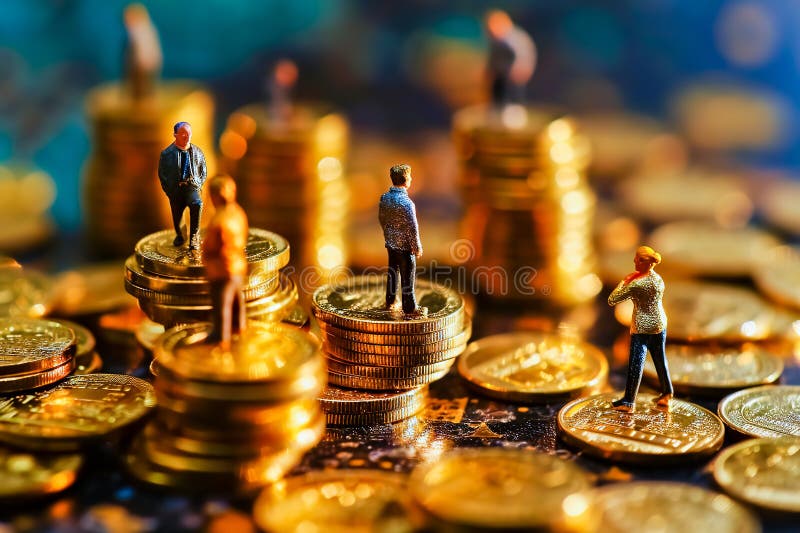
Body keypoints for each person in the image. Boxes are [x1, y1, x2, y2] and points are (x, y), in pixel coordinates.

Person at [608, 246, 673, 412]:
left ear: (648, 263)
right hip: (660, 324)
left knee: (636, 363)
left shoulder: (637, 284)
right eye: (636, 258)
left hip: (643, 328)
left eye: (639, 259)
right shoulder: (657, 279)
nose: (635, 261)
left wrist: (625, 281)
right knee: (660, 360)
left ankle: (628, 402)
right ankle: (667, 393)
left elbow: (612, 299)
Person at [202, 175, 248, 349]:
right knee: (238, 300)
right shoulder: (238, 213)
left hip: (221, 269)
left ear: (216, 196)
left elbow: (213, 245)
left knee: (222, 303)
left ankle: (221, 335)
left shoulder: (220, 220)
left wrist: (204, 254)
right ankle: (239, 327)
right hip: (237, 265)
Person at [379, 164, 426, 317]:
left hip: (391, 244)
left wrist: (388, 234)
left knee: (392, 272)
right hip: (405, 248)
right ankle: (410, 308)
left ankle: (390, 300)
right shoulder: (407, 204)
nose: (411, 179)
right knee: (407, 277)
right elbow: (413, 228)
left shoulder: (385, 198)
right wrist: (417, 247)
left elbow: (382, 218)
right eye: (410, 176)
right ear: (406, 180)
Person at [158, 121, 207, 250]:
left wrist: (198, 184)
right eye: (184, 134)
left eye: (189, 134)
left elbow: (203, 170)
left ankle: (194, 237)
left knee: (197, 204)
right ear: (175, 135)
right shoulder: (166, 154)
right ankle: (181, 236)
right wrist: (169, 190)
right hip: (176, 189)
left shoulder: (197, 152)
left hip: (192, 187)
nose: (187, 137)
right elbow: (162, 174)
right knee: (178, 218)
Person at [485, 10, 537, 106]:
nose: (492, 29)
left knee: (515, 98)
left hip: (515, 75)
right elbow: (493, 58)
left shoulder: (517, 39)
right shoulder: (496, 41)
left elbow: (525, 56)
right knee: (498, 97)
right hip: (501, 75)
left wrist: (522, 69)